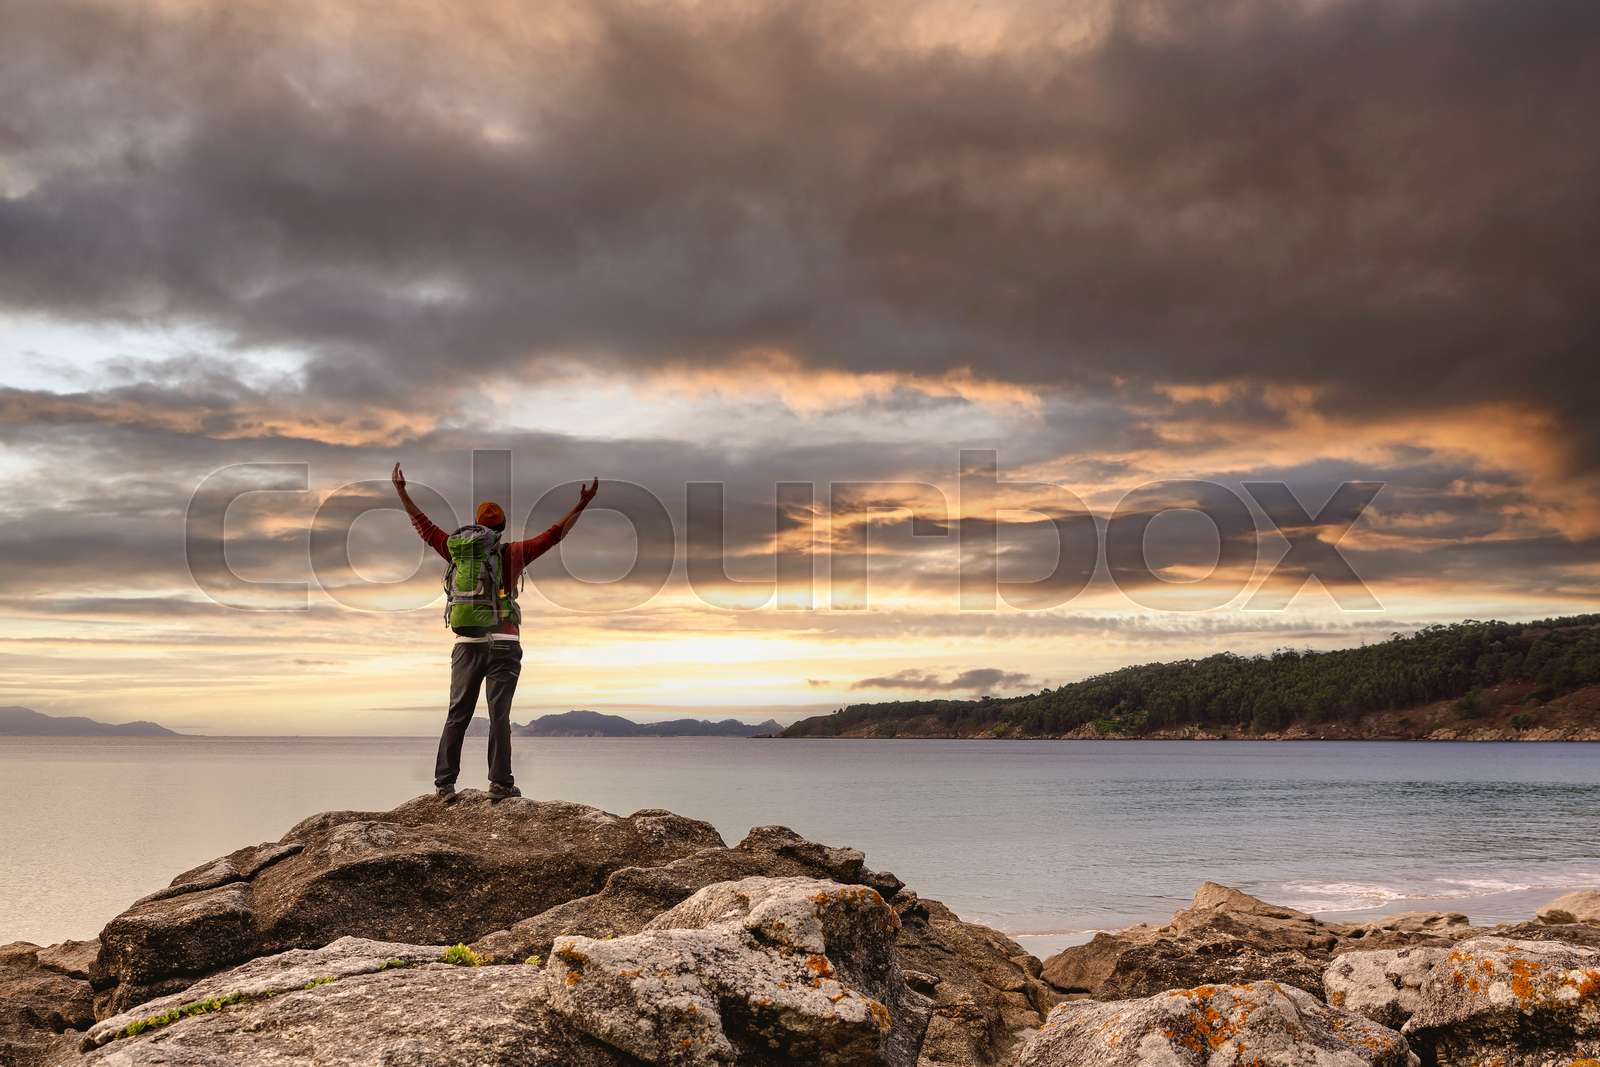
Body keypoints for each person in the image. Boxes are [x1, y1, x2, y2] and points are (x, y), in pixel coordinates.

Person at [391, 463, 598, 801]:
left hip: (466, 643)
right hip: (505, 643)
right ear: (500, 528)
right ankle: (500, 784)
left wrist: (402, 493)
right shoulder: (514, 552)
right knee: (499, 715)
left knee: (458, 713)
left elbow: (425, 529)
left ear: (475, 528)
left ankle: (445, 785)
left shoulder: (456, 550)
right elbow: (555, 533)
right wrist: (582, 504)